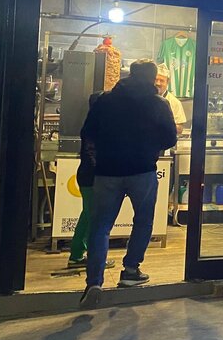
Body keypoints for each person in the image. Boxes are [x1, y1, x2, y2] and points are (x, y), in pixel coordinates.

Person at [79, 59, 178, 308]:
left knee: (100, 226)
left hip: (107, 171)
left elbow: (87, 132)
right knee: (143, 221)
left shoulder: (104, 100)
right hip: (142, 170)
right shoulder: (158, 103)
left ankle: (94, 281)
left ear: (129, 74)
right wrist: (148, 147)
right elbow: (169, 138)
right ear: (152, 78)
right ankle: (131, 271)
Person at [65, 93, 114, 272]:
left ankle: (78, 254)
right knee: (93, 217)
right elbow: (90, 153)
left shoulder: (93, 123)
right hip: (91, 177)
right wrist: (101, 170)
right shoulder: (96, 125)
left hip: (87, 175)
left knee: (88, 215)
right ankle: (87, 256)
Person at [155, 64, 187, 136]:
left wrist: (161, 126)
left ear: (167, 82)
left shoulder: (175, 102)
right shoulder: (145, 98)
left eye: (162, 80)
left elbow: (179, 129)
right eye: (156, 80)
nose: (158, 83)